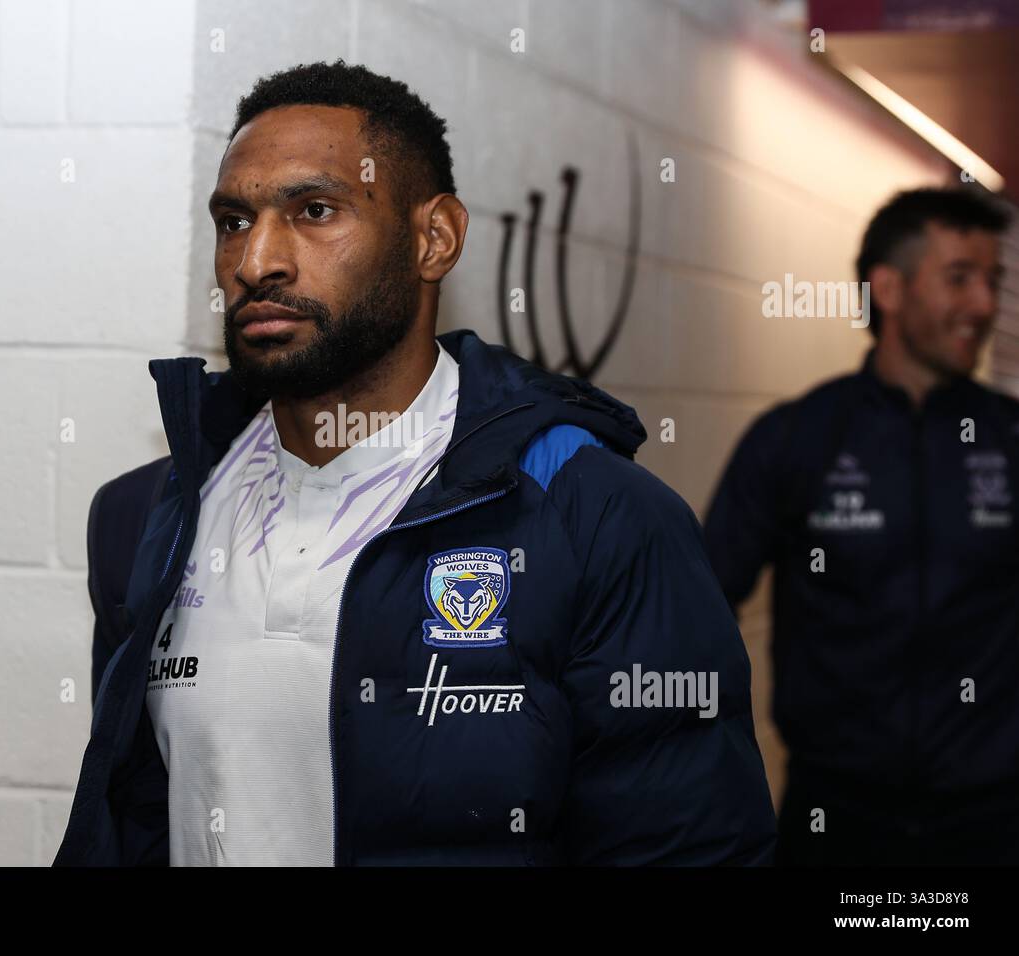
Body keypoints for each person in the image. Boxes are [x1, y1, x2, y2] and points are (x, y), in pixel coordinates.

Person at [54, 59, 775, 866]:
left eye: (313, 210)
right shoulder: (146, 520)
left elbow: (688, 850)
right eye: (233, 221)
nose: (257, 261)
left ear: (435, 238)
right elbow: (139, 819)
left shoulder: (592, 514)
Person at [704, 187, 1018, 865]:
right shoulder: (797, 438)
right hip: (834, 820)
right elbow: (695, 608)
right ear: (891, 288)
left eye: (992, 281)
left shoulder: (1008, 438)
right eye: (960, 278)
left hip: (993, 823)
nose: (985, 306)